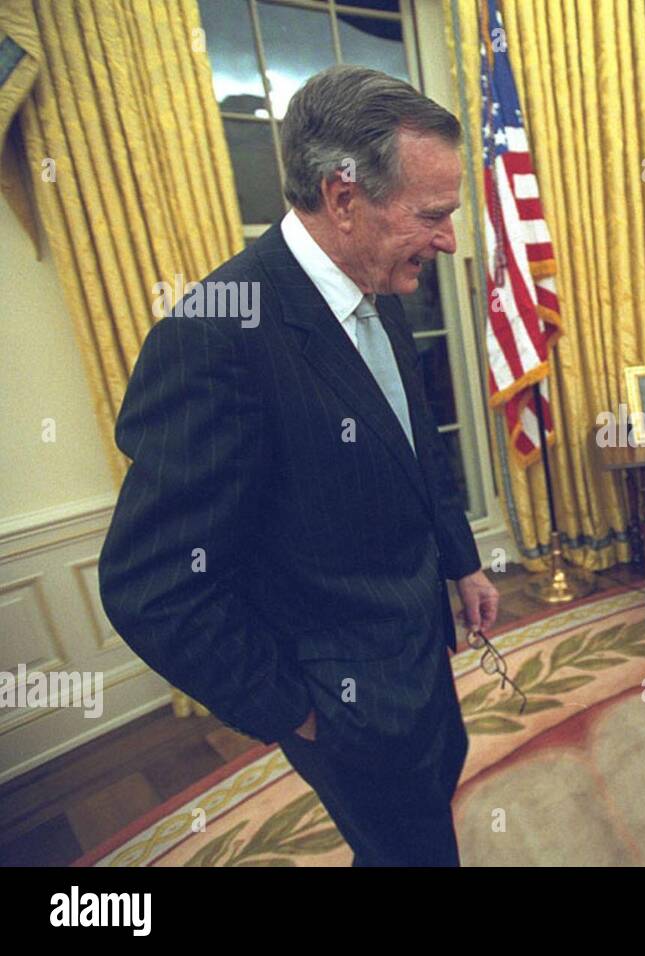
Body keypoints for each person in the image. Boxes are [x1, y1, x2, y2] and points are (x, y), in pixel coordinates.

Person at [98, 66, 499, 866]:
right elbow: (151, 586)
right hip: (344, 701)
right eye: (433, 216)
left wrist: (461, 563)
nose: (451, 241)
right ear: (343, 197)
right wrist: (296, 710)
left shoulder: (382, 286)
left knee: (424, 811)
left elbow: (415, 447)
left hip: (418, 656)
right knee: (408, 850)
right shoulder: (215, 337)